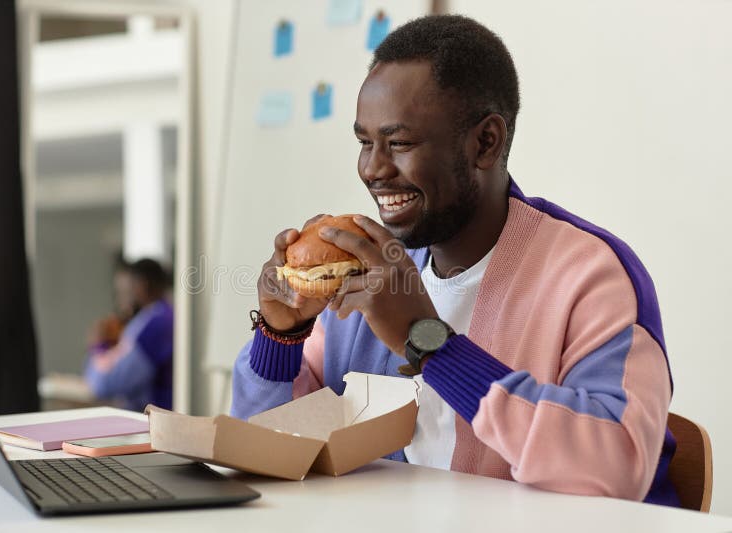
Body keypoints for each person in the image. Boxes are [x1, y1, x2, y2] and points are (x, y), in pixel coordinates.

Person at [231, 15, 678, 506]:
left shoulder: (589, 276)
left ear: (485, 142)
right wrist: (281, 336)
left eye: (399, 143)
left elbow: (617, 469)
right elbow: (269, 451)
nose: (372, 168)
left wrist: (428, 342)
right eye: (364, 142)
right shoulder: (367, 270)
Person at [85, 258, 174, 411]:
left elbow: (106, 384)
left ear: (142, 285)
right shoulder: (160, 315)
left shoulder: (155, 324)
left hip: (154, 417)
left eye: (126, 291)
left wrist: (99, 347)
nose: (122, 300)